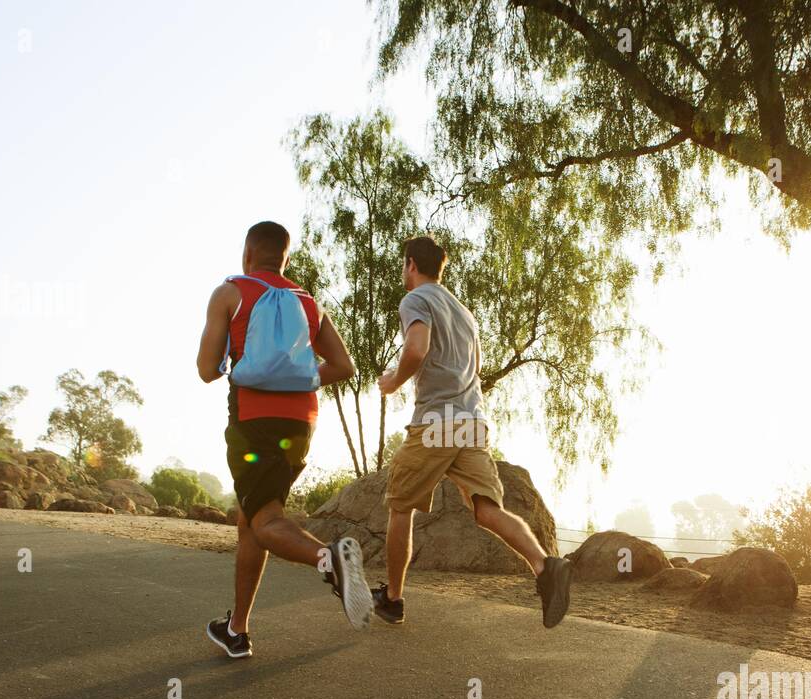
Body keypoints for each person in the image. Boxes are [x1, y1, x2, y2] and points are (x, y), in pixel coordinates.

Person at [195, 220, 373, 658]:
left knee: (265, 521)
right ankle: (237, 630)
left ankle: (328, 561)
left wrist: (245, 367)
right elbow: (345, 367)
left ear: (248, 255)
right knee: (252, 521)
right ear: (285, 259)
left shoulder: (230, 293)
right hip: (300, 426)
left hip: (253, 424)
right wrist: (299, 377)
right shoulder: (309, 304)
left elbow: (205, 369)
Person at [374, 235, 572, 628]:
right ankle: (544, 565)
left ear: (411, 264)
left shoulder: (416, 299)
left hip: (436, 422)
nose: (403, 271)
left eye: (403, 265)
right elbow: (475, 368)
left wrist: (393, 381)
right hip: (473, 422)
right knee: (487, 509)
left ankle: (393, 599)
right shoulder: (465, 314)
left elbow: (416, 350)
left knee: (400, 505)